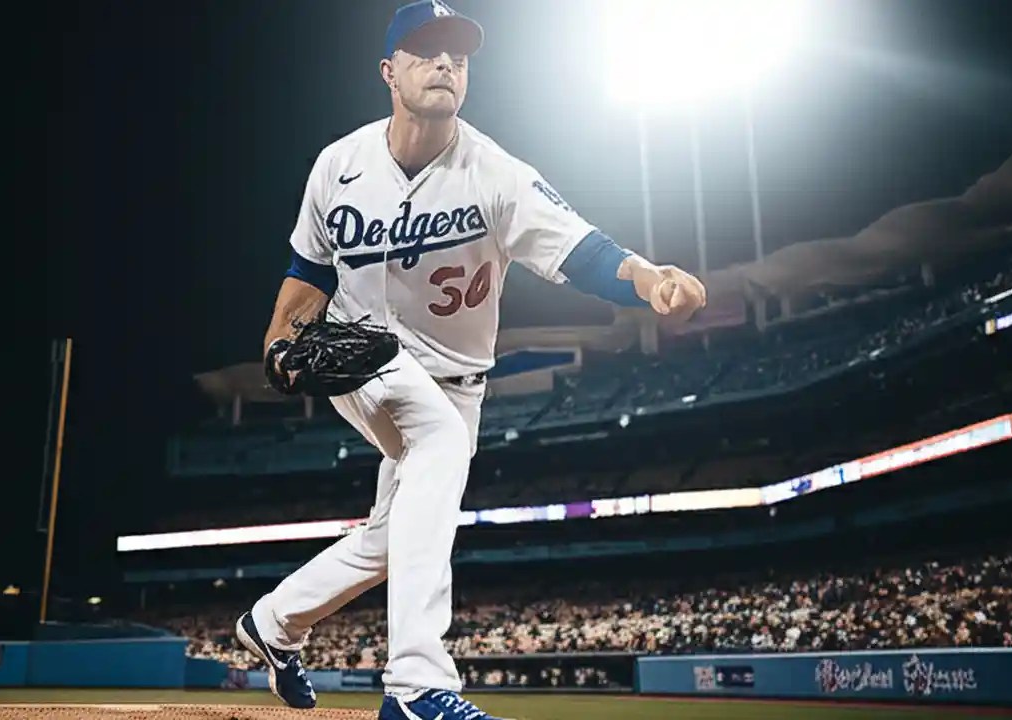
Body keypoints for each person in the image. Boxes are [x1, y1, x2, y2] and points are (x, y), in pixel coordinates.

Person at [234, 2, 706, 718]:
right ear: (389, 71)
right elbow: (308, 276)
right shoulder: (339, 166)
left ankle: (271, 624)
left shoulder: (496, 172)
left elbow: (585, 251)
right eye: (427, 50)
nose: (447, 63)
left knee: (399, 535)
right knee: (437, 441)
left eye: (458, 53)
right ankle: (419, 686)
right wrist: (278, 342)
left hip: (459, 383)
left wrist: (651, 279)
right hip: (365, 360)